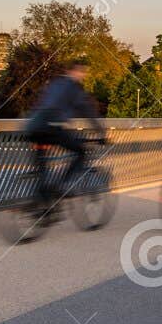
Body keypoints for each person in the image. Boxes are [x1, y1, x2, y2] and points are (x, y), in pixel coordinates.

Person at [24, 58, 102, 212]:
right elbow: (87, 111)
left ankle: (41, 201)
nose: (82, 75)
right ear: (72, 72)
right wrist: (101, 133)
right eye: (80, 71)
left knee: (42, 166)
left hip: (32, 126)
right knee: (80, 151)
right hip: (51, 127)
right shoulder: (74, 88)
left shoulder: (54, 84)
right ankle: (62, 187)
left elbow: (41, 103)